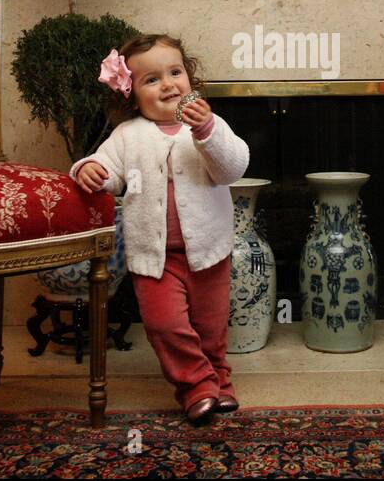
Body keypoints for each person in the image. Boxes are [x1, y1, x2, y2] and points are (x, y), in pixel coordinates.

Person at [71, 34, 250, 423]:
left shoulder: (208, 128)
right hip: (153, 257)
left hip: (208, 250)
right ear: (132, 96)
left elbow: (233, 168)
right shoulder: (128, 135)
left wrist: (207, 133)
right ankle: (197, 387)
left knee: (210, 327)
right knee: (164, 325)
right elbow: (108, 171)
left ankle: (218, 380)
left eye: (175, 72)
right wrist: (88, 170)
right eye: (151, 79)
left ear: (190, 80)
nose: (168, 84)